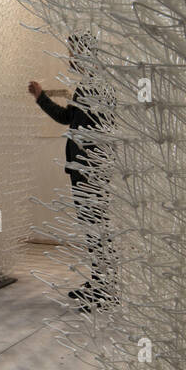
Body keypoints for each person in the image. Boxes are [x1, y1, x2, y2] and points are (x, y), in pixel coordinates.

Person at [27, 32, 115, 311]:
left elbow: (104, 130)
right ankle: (99, 282)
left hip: (92, 170)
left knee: (98, 230)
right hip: (82, 168)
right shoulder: (87, 86)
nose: (70, 58)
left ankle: (106, 290)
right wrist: (41, 98)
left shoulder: (101, 87)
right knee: (93, 230)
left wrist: (93, 163)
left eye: (74, 53)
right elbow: (68, 119)